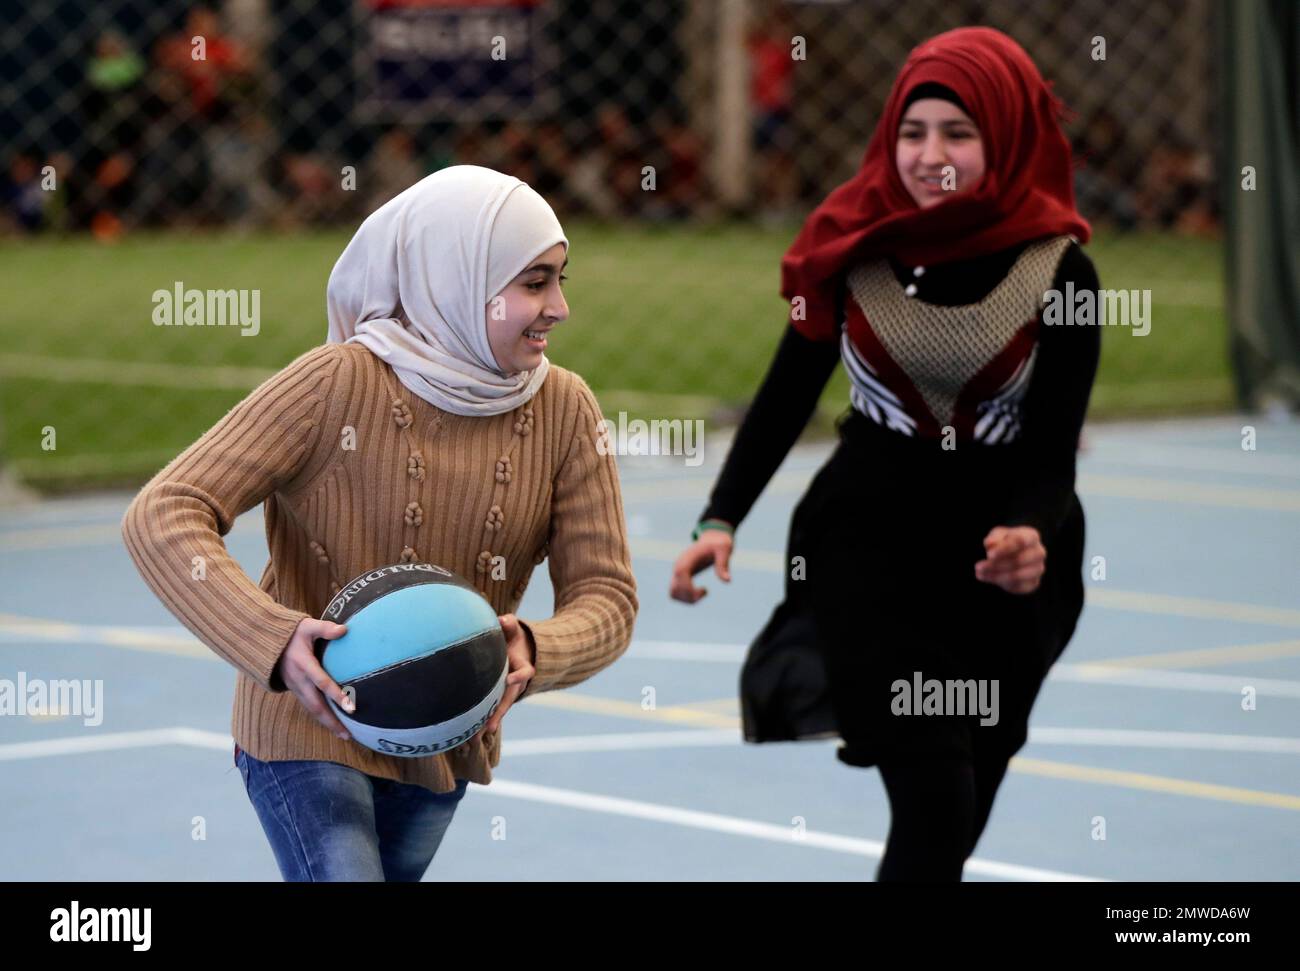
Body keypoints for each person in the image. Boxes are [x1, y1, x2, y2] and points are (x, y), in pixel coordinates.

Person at [122, 165, 638, 881]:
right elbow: (163, 510)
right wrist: (272, 640)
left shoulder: (566, 410)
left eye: (560, 278)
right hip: (303, 727)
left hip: (442, 731)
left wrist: (536, 645)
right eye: (533, 282)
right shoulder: (336, 383)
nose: (558, 306)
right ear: (456, 277)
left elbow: (608, 597)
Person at [669, 27, 1100, 882]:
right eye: (913, 132)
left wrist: (1027, 530)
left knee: (966, 799)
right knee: (935, 795)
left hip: (1004, 568)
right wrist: (722, 516)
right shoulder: (850, 245)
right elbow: (788, 389)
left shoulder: (1065, 275)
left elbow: (1054, 451)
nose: (929, 155)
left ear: (1007, 136)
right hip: (869, 542)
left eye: (958, 134)